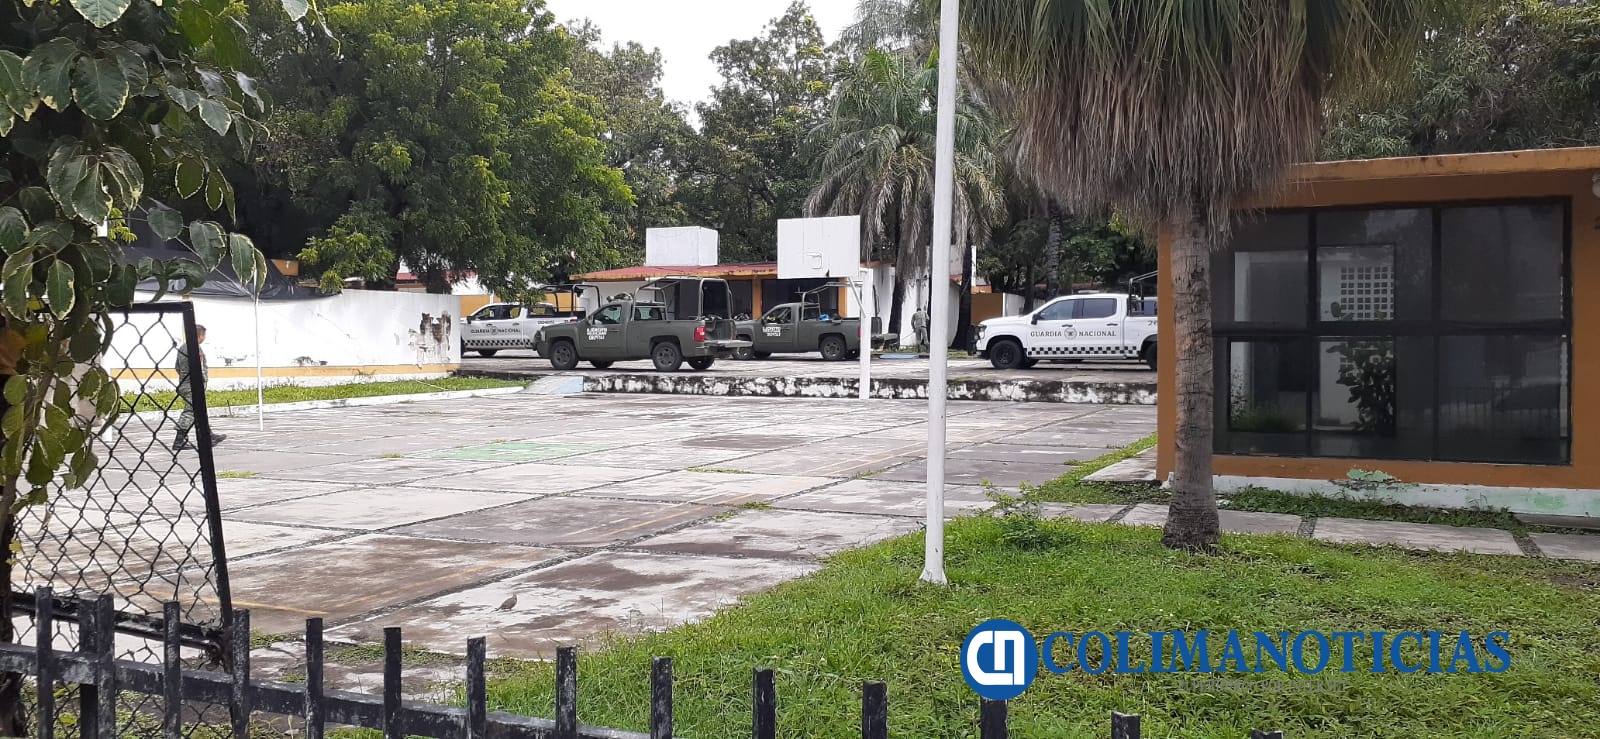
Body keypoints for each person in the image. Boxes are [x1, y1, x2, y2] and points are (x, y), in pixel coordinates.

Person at [173, 324, 226, 451]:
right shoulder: (196, 349)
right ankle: (179, 440)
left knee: (200, 411)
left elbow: (177, 367)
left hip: (184, 383)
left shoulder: (182, 348)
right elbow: (200, 368)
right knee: (190, 411)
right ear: (200, 335)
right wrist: (202, 381)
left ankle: (209, 436)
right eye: (203, 335)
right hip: (193, 385)